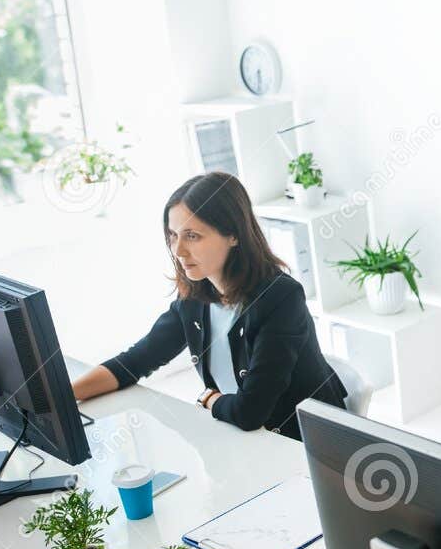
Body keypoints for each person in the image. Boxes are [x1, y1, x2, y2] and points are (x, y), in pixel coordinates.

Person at [71, 171, 347, 438]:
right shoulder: (194, 298)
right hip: (241, 435)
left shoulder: (281, 298)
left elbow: (251, 412)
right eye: (173, 235)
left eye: (192, 236)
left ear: (233, 235)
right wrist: (63, 396)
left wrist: (209, 399)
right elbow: (133, 362)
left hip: (302, 442)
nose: (178, 251)